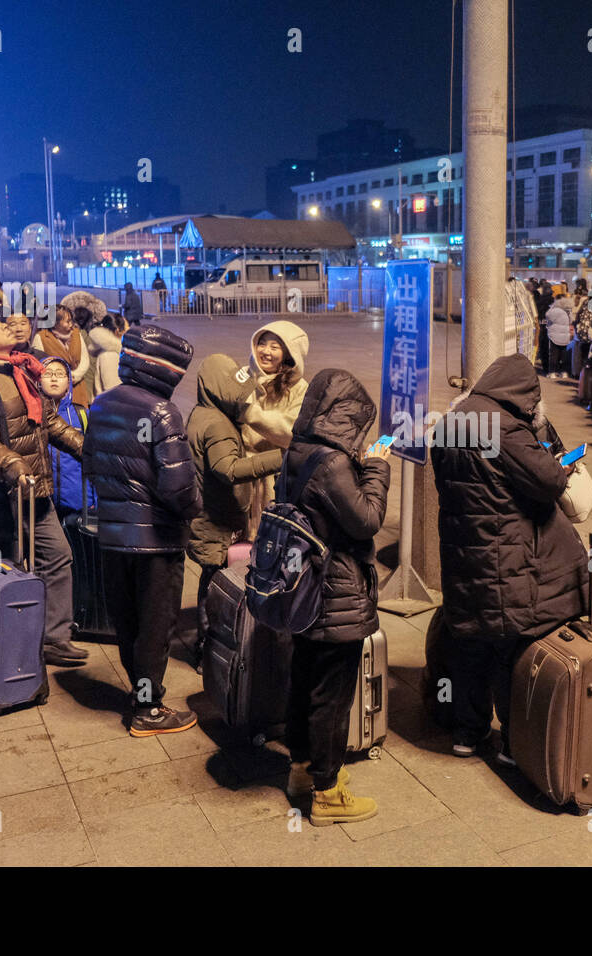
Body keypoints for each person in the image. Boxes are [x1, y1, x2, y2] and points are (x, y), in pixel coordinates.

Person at [432, 353, 588, 760]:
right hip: (505, 556)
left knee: (470, 645)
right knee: (509, 647)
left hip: (463, 551)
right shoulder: (505, 427)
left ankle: (467, 733)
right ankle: (512, 744)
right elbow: (548, 481)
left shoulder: (452, 421)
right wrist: (562, 467)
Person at [0, 303, 90, 668]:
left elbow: (49, 423)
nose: (7, 325)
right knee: (8, 571)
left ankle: (55, 637)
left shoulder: (21, 369)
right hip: (0, 496)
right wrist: (10, 463)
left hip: (34, 492)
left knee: (57, 557)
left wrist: (85, 447)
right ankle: (8, 648)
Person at [281, 369, 391, 825]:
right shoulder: (333, 463)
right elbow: (366, 521)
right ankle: (328, 793)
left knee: (304, 679)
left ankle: (301, 772)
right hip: (336, 590)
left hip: (304, 589)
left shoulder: (298, 450)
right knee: (333, 693)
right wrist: (378, 465)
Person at [84, 325, 201, 736]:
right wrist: (193, 512)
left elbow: (91, 465)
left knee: (129, 621)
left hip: (114, 534)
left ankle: (140, 693)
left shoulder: (101, 403)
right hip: (155, 539)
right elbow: (179, 486)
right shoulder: (160, 412)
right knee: (156, 626)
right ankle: (148, 710)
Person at [186, 353, 282, 670]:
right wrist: (277, 459)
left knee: (212, 581)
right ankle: (206, 649)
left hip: (209, 518)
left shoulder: (203, 414)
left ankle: (208, 644)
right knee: (214, 587)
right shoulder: (217, 426)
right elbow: (228, 469)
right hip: (216, 522)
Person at [238, 320, 309, 536]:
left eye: (274, 347)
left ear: (289, 353)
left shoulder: (299, 388)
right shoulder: (243, 376)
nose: (265, 351)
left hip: (275, 479)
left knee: (270, 543)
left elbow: (290, 431)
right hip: (241, 476)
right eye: (262, 344)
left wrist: (250, 413)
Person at [41, 356, 94, 519]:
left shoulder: (83, 415)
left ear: (69, 381)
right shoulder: (31, 415)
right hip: (42, 505)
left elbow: (95, 461)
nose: (54, 378)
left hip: (79, 504)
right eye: (47, 373)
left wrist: (96, 501)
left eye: (60, 374)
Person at [33, 304, 91, 405]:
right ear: (55, 323)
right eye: (67, 321)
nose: (71, 324)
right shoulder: (41, 337)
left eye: (71, 321)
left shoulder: (77, 334)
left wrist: (74, 376)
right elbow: (38, 366)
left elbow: (85, 360)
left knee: (79, 417)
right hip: (54, 392)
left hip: (77, 387)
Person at [86, 312, 127, 395]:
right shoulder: (109, 354)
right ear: (117, 331)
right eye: (126, 327)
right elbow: (112, 389)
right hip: (113, 404)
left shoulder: (113, 350)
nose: (128, 329)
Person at [544, 293, 573, 378]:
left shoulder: (554, 310)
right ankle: (564, 372)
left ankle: (552, 372)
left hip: (555, 335)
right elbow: (571, 321)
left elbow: (547, 316)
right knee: (564, 355)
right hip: (565, 335)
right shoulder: (568, 310)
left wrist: (552, 306)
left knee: (554, 354)